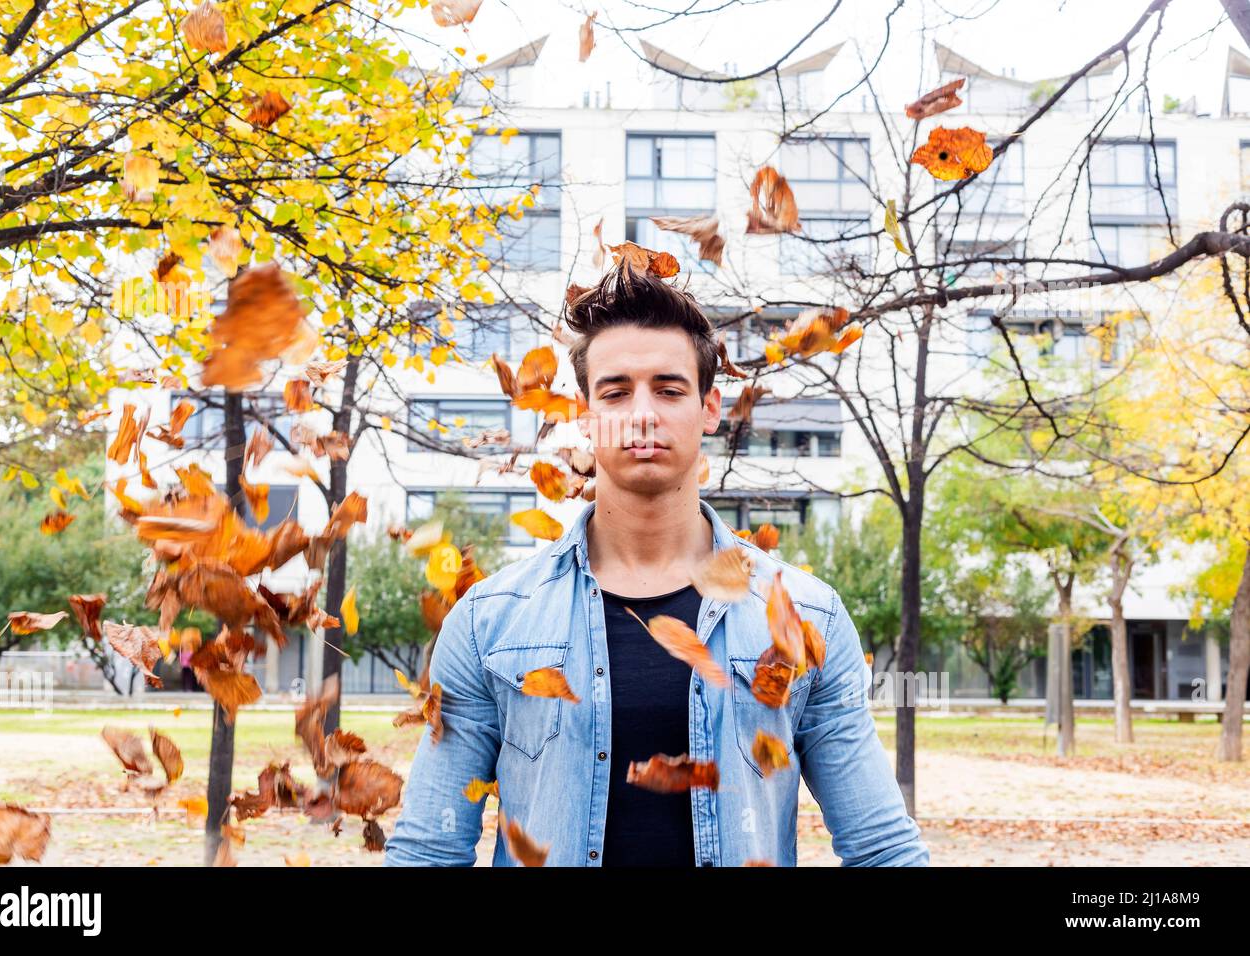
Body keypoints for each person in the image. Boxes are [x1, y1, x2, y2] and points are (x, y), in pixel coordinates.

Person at [383, 262, 930, 867]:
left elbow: (882, 847)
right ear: (586, 416)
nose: (642, 414)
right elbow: (427, 850)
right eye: (616, 392)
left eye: (669, 390)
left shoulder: (805, 617)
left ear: (709, 408)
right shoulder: (490, 621)